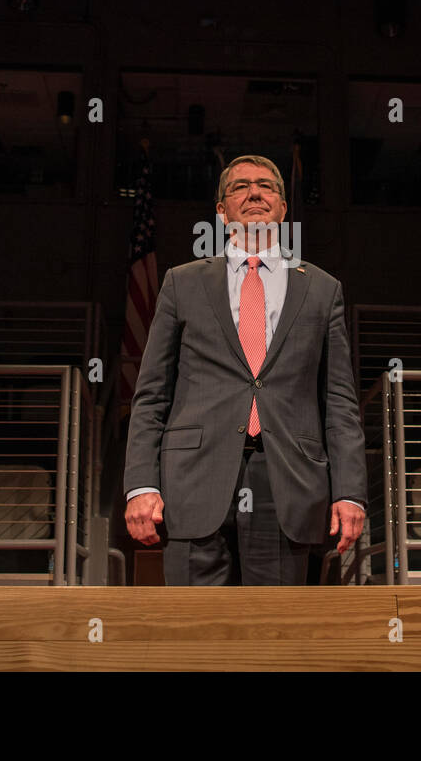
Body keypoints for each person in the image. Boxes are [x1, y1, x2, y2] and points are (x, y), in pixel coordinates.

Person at [123, 155, 367, 585]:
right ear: (221, 211)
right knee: (193, 636)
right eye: (239, 187)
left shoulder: (323, 289)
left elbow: (340, 403)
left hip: (288, 484)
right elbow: (151, 395)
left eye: (266, 185)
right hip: (193, 481)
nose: (254, 193)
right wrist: (142, 484)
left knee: (275, 638)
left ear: (284, 207)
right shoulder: (182, 283)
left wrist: (349, 491)